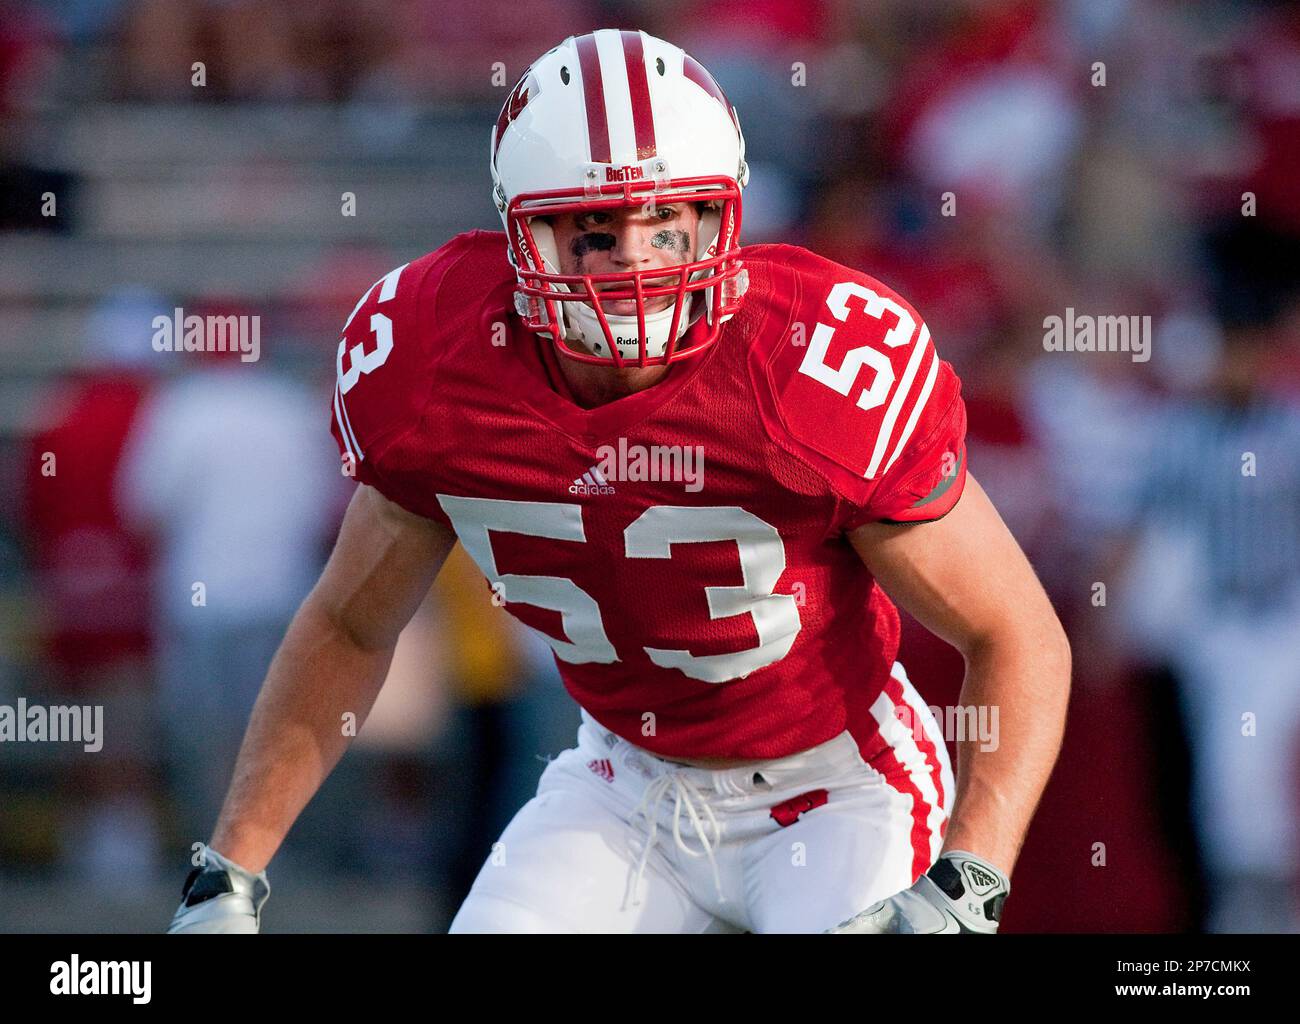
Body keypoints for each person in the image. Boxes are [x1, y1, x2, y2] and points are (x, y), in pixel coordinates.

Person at [167, 29, 1070, 935]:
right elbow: (351, 623)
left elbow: (1015, 633)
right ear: (521, 232)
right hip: (618, 780)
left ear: (723, 221)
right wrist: (230, 873)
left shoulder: (811, 368)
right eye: (595, 231)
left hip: (838, 785)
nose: (637, 263)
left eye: (669, 223)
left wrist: (969, 883)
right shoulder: (436, 362)